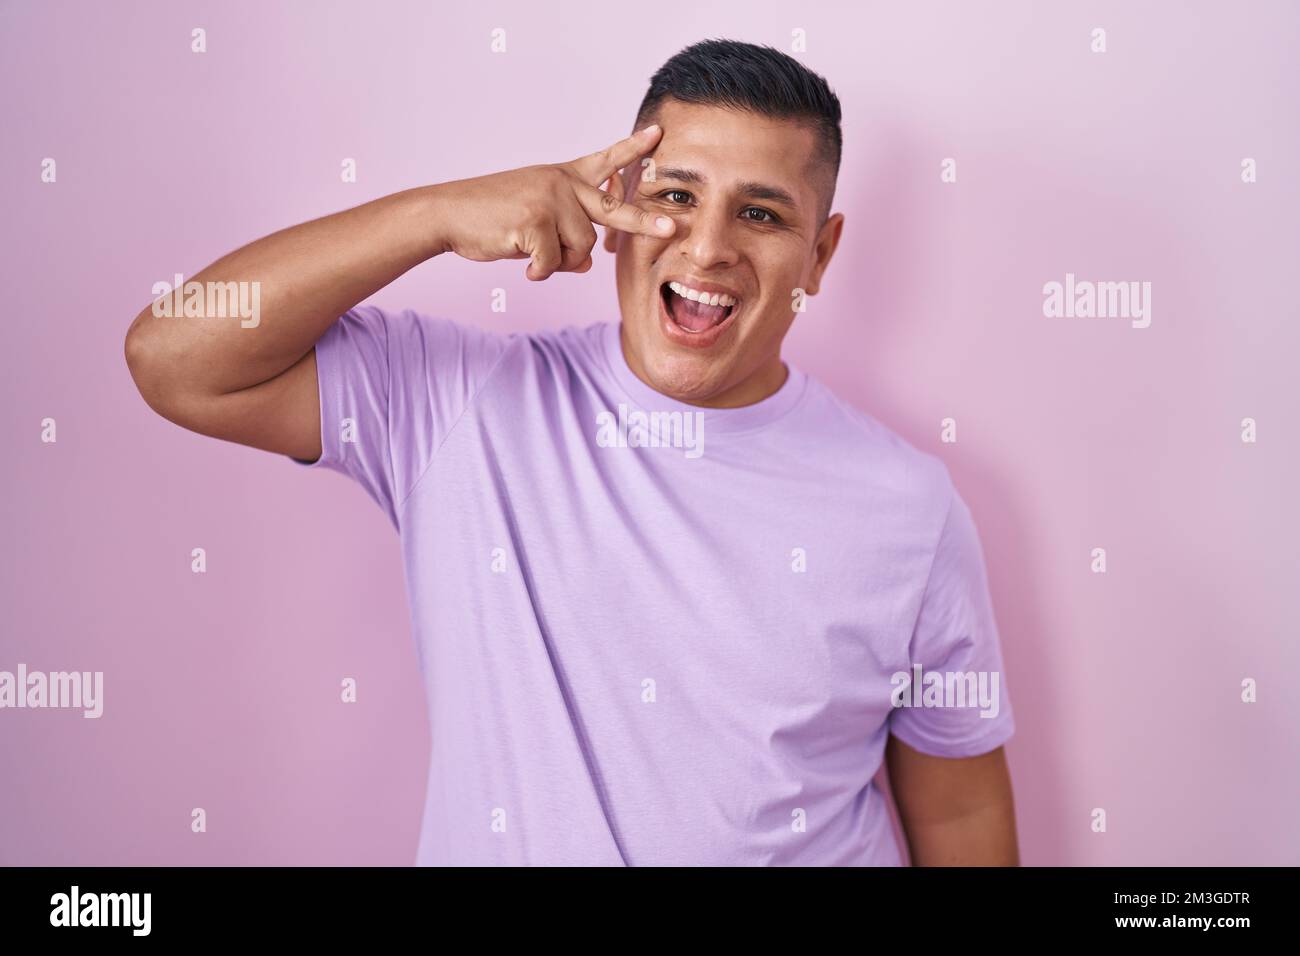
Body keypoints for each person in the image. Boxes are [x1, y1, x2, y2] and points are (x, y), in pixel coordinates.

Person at [125, 39, 1018, 866]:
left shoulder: (909, 508)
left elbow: (958, 811)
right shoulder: (458, 403)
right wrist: (433, 215)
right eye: (673, 195)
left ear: (819, 255)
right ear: (618, 205)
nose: (707, 246)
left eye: (760, 213)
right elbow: (177, 359)